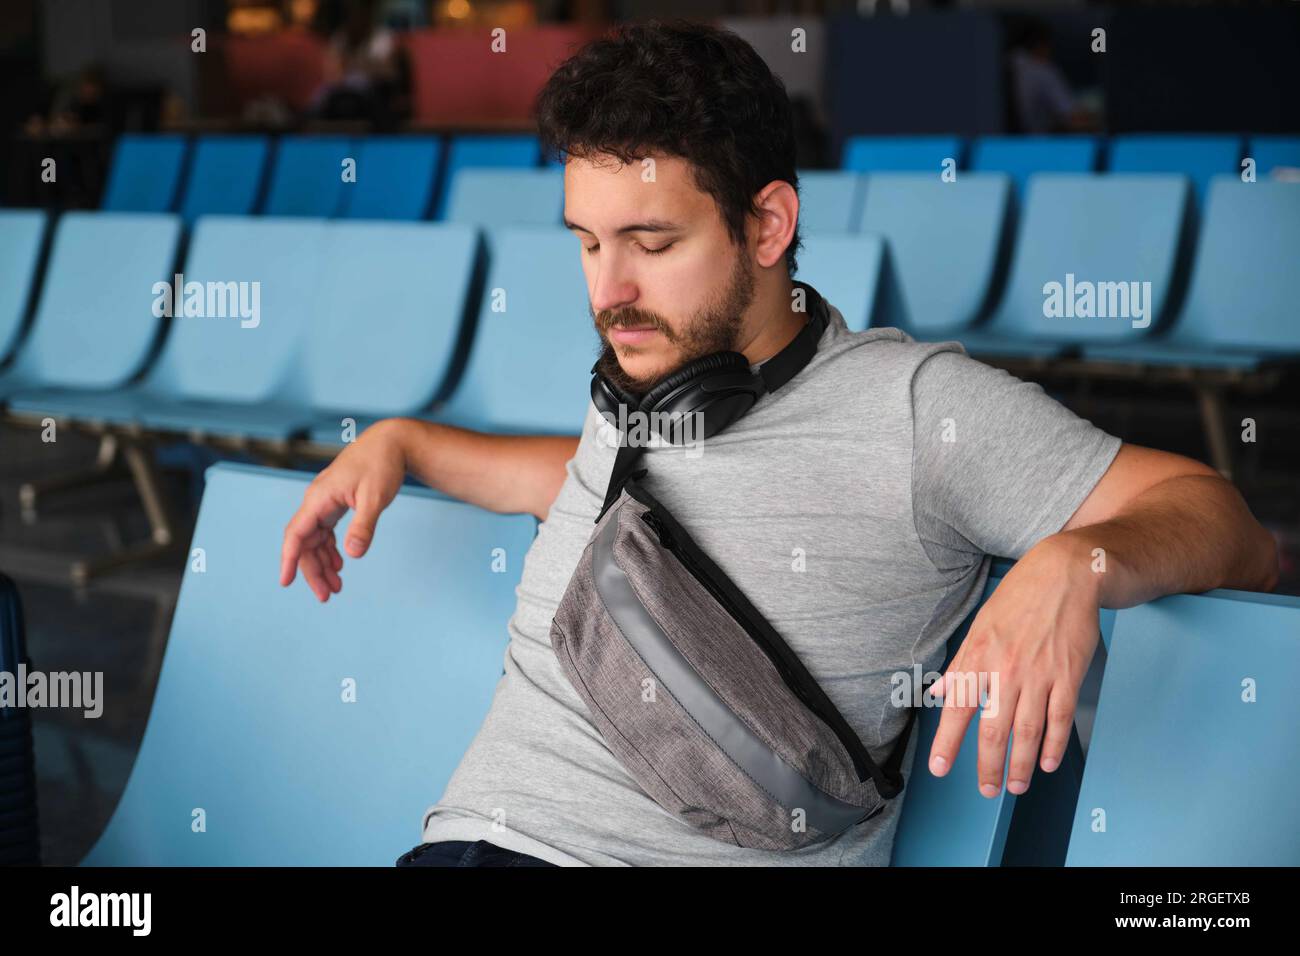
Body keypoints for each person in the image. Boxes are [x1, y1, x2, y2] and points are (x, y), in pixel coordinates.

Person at [279, 21, 1278, 867]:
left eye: (652, 243)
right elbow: (586, 491)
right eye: (586, 242)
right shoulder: (643, 372)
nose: (608, 291)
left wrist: (1077, 559)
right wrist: (408, 444)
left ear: (767, 226)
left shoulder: (919, 410)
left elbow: (1231, 526)